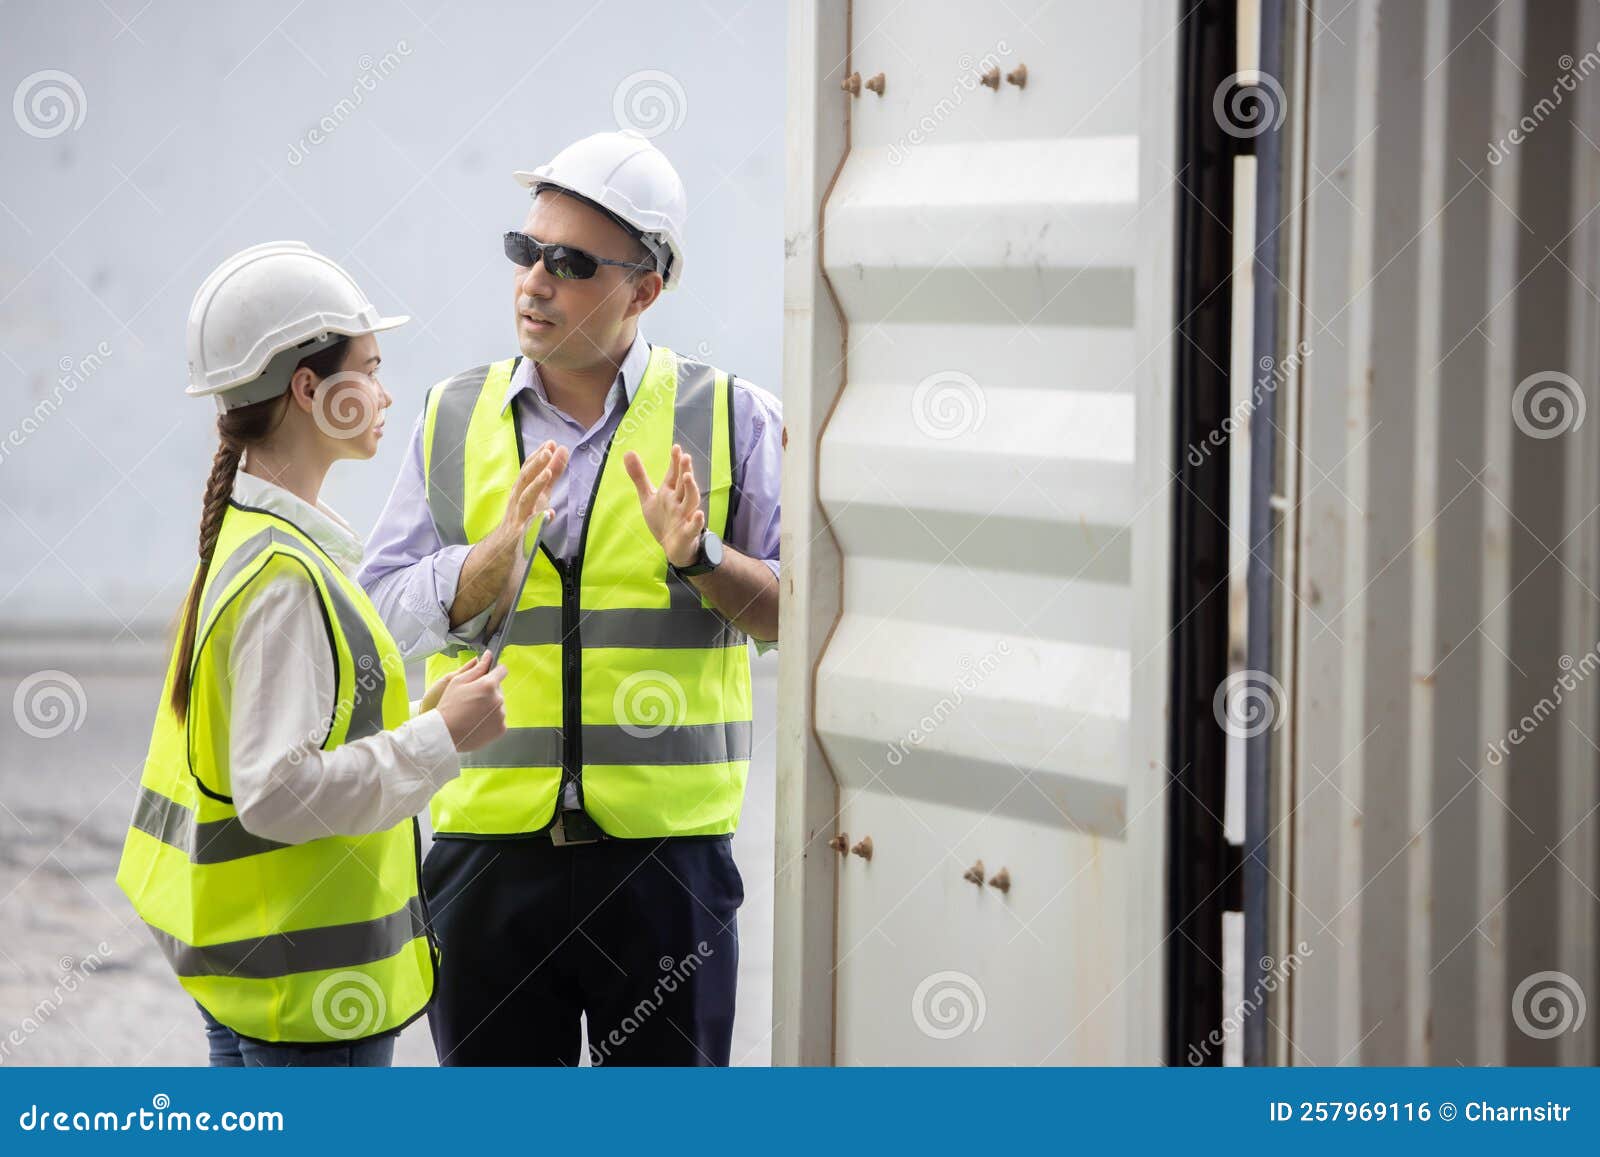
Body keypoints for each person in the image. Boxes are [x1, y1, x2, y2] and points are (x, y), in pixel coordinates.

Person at [357, 129, 783, 1066]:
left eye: (572, 262)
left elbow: (801, 614)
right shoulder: (451, 415)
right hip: (488, 858)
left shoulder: (731, 415)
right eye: (526, 251)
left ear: (646, 287)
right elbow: (376, 615)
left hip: (667, 866)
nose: (534, 282)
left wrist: (704, 558)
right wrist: (484, 566)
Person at [116, 241, 526, 1066]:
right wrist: (440, 738)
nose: (384, 392)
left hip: (247, 970)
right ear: (309, 388)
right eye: (369, 369)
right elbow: (276, 792)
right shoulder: (283, 576)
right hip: (307, 997)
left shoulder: (248, 539)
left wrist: (420, 718)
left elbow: (274, 745)